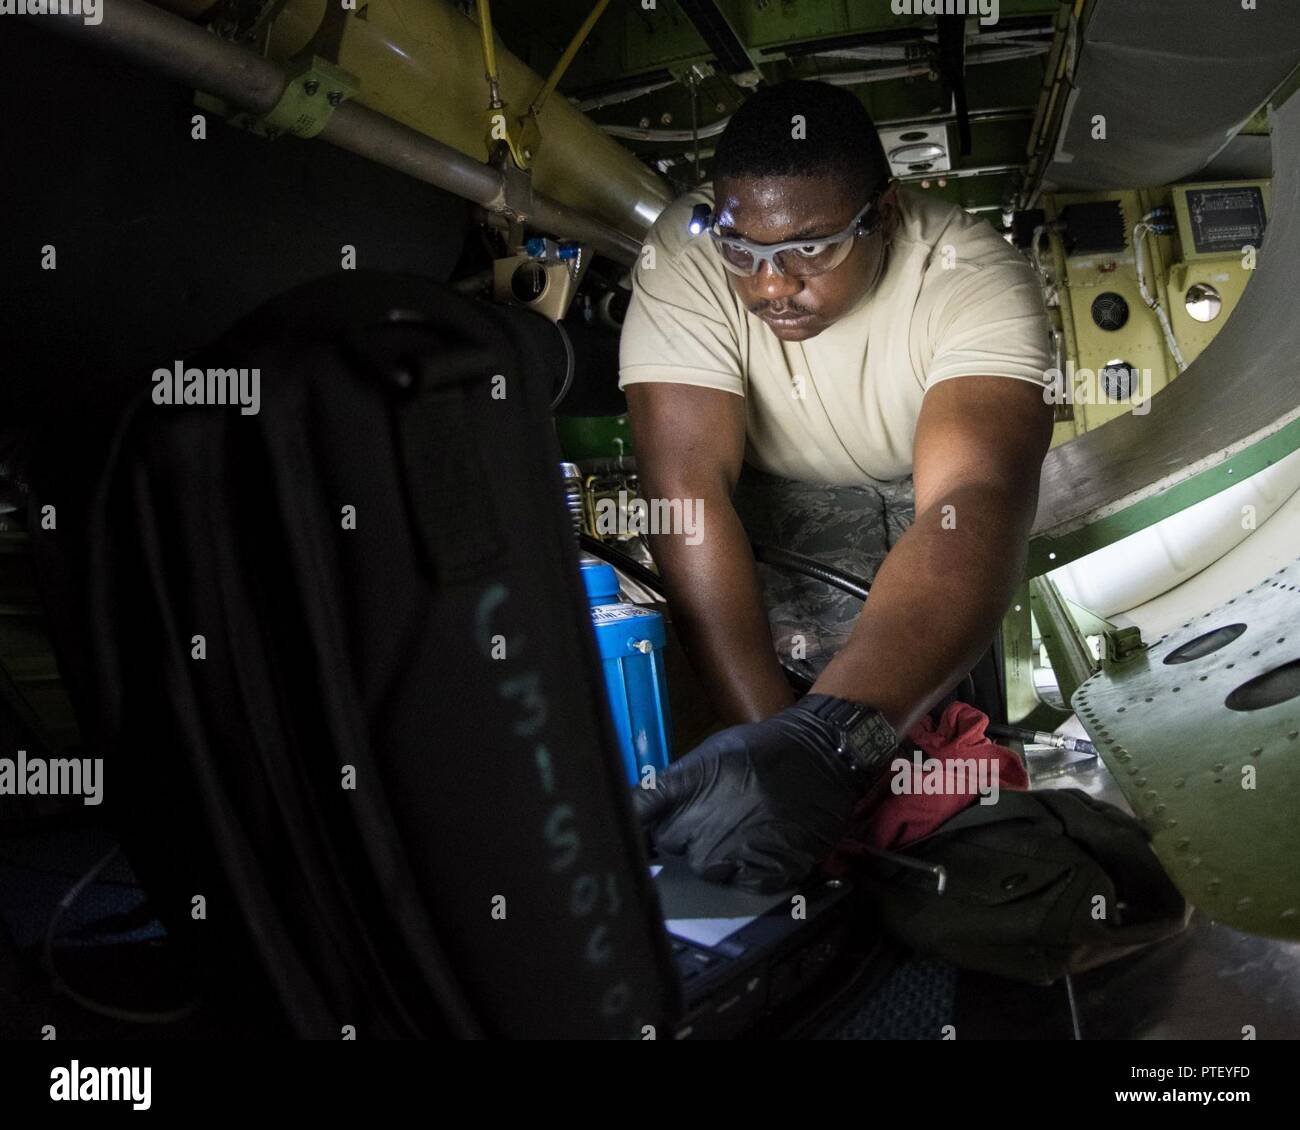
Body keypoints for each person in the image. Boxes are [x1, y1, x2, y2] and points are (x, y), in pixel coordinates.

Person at [619, 80, 1054, 892]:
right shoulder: (686, 258)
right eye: (742, 249)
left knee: (919, 714)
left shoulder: (974, 276)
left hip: (927, 505)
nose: (770, 284)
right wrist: (776, 753)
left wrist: (828, 745)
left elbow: (975, 499)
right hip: (776, 500)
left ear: (883, 214)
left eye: (810, 247)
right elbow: (687, 492)